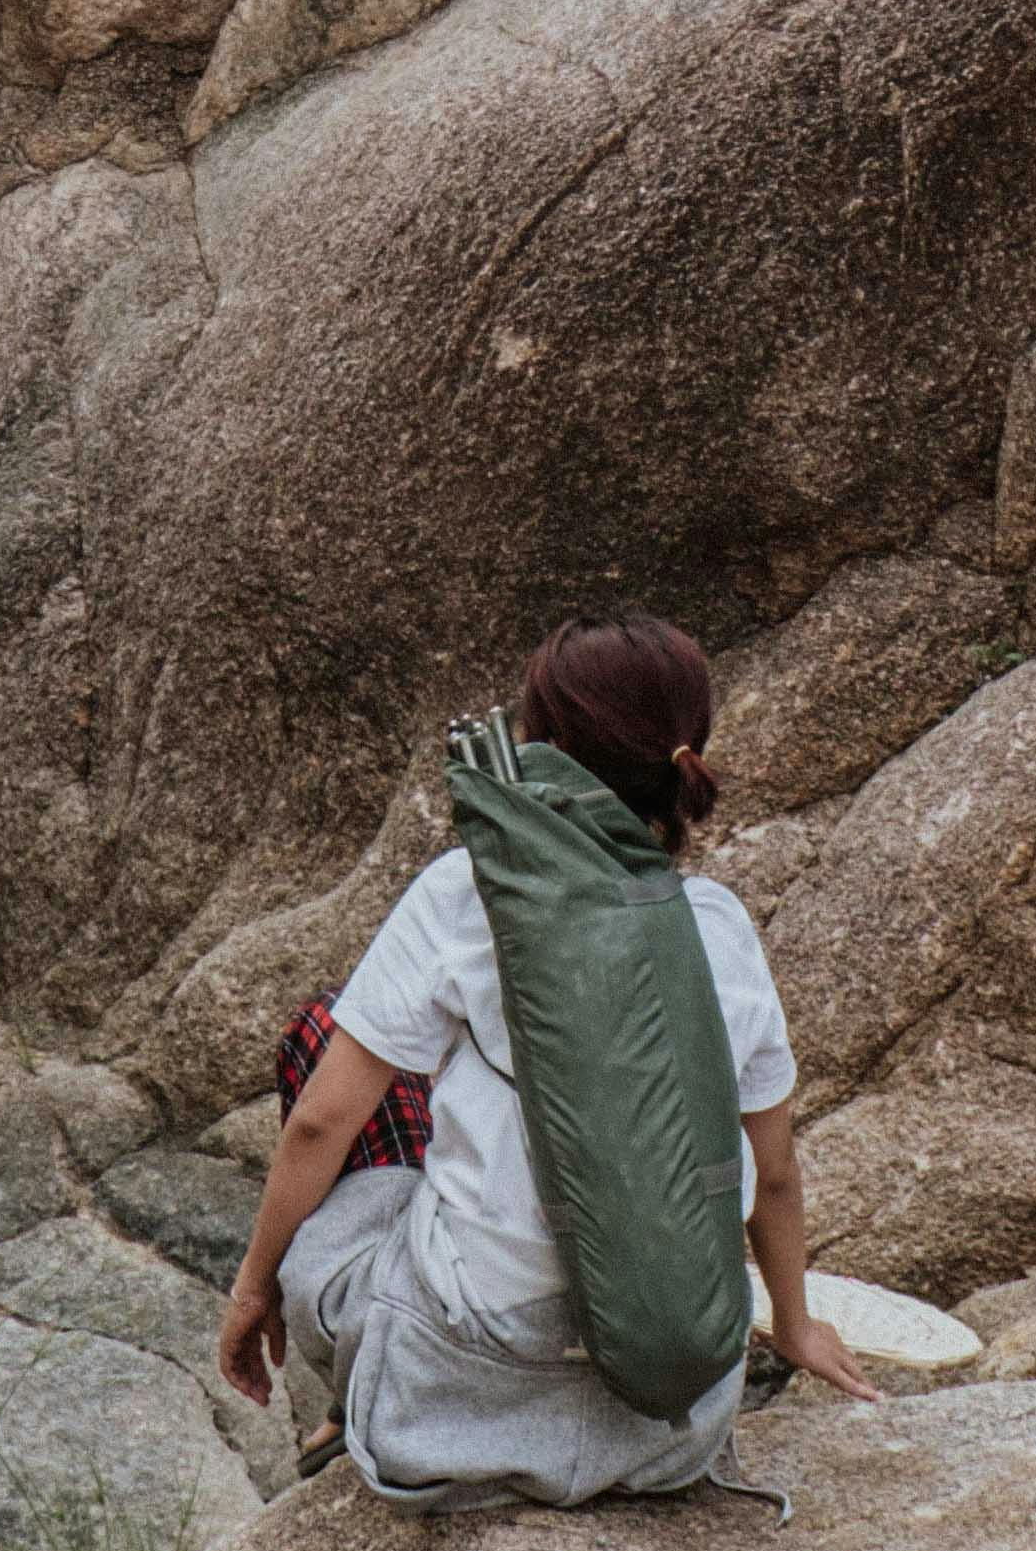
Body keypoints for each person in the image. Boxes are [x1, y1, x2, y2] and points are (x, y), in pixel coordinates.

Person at [217, 617, 871, 1504]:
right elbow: (777, 1173)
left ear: (544, 754)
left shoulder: (463, 894)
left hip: (452, 1404)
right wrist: (792, 1325)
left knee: (334, 1073)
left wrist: (252, 1288)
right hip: (666, 1436)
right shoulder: (719, 930)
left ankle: (352, 1404)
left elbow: (320, 1124)